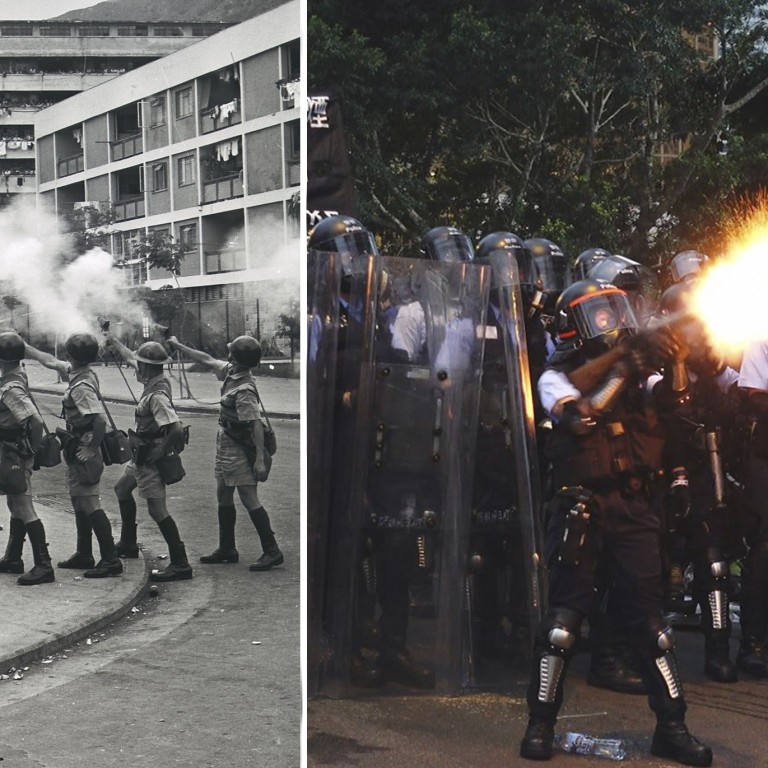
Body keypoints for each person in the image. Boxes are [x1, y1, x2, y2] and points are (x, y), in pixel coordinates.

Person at [520, 279, 712, 766]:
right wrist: (620, 367)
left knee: (652, 628)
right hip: (581, 509)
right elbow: (580, 417)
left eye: (616, 311)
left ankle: (673, 728)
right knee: (563, 626)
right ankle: (539, 726)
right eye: (601, 316)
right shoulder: (553, 377)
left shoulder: (641, 375)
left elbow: (675, 405)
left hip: (635, 510)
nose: (614, 323)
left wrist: (679, 360)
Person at [165, 334, 282, 571]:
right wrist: (178, 345)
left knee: (249, 498)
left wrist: (259, 459)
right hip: (227, 441)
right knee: (223, 495)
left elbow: (255, 424)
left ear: (234, 357)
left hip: (241, 446)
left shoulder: (245, 388)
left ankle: (272, 551)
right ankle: (227, 548)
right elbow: (207, 360)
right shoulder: (231, 372)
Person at [25, 333, 122, 579]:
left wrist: (91, 448)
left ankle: (110, 560)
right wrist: (26, 347)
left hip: (84, 444)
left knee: (89, 502)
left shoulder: (80, 387)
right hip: (79, 442)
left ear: (70, 356)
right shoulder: (84, 373)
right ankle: (84, 553)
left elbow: (98, 418)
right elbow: (50, 361)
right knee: (79, 500)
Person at [103, 335, 192, 582]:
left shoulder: (157, 395)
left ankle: (181, 563)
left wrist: (159, 451)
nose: (136, 366)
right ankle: (129, 543)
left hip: (150, 459)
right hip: (140, 456)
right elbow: (132, 358)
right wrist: (113, 341)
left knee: (157, 509)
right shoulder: (155, 379)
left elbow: (175, 428)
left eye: (140, 364)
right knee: (121, 488)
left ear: (146, 367)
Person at [0, 331, 55, 586]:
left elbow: (35, 421)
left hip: (16, 453)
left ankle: (44, 565)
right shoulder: (15, 375)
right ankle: (13, 557)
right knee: (15, 503)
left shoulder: (10, 387)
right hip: (13, 451)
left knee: (24, 507)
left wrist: (30, 452)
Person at [735, 337, 768, 677]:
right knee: (764, 547)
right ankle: (753, 642)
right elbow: (755, 395)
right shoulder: (762, 335)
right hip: (766, 455)